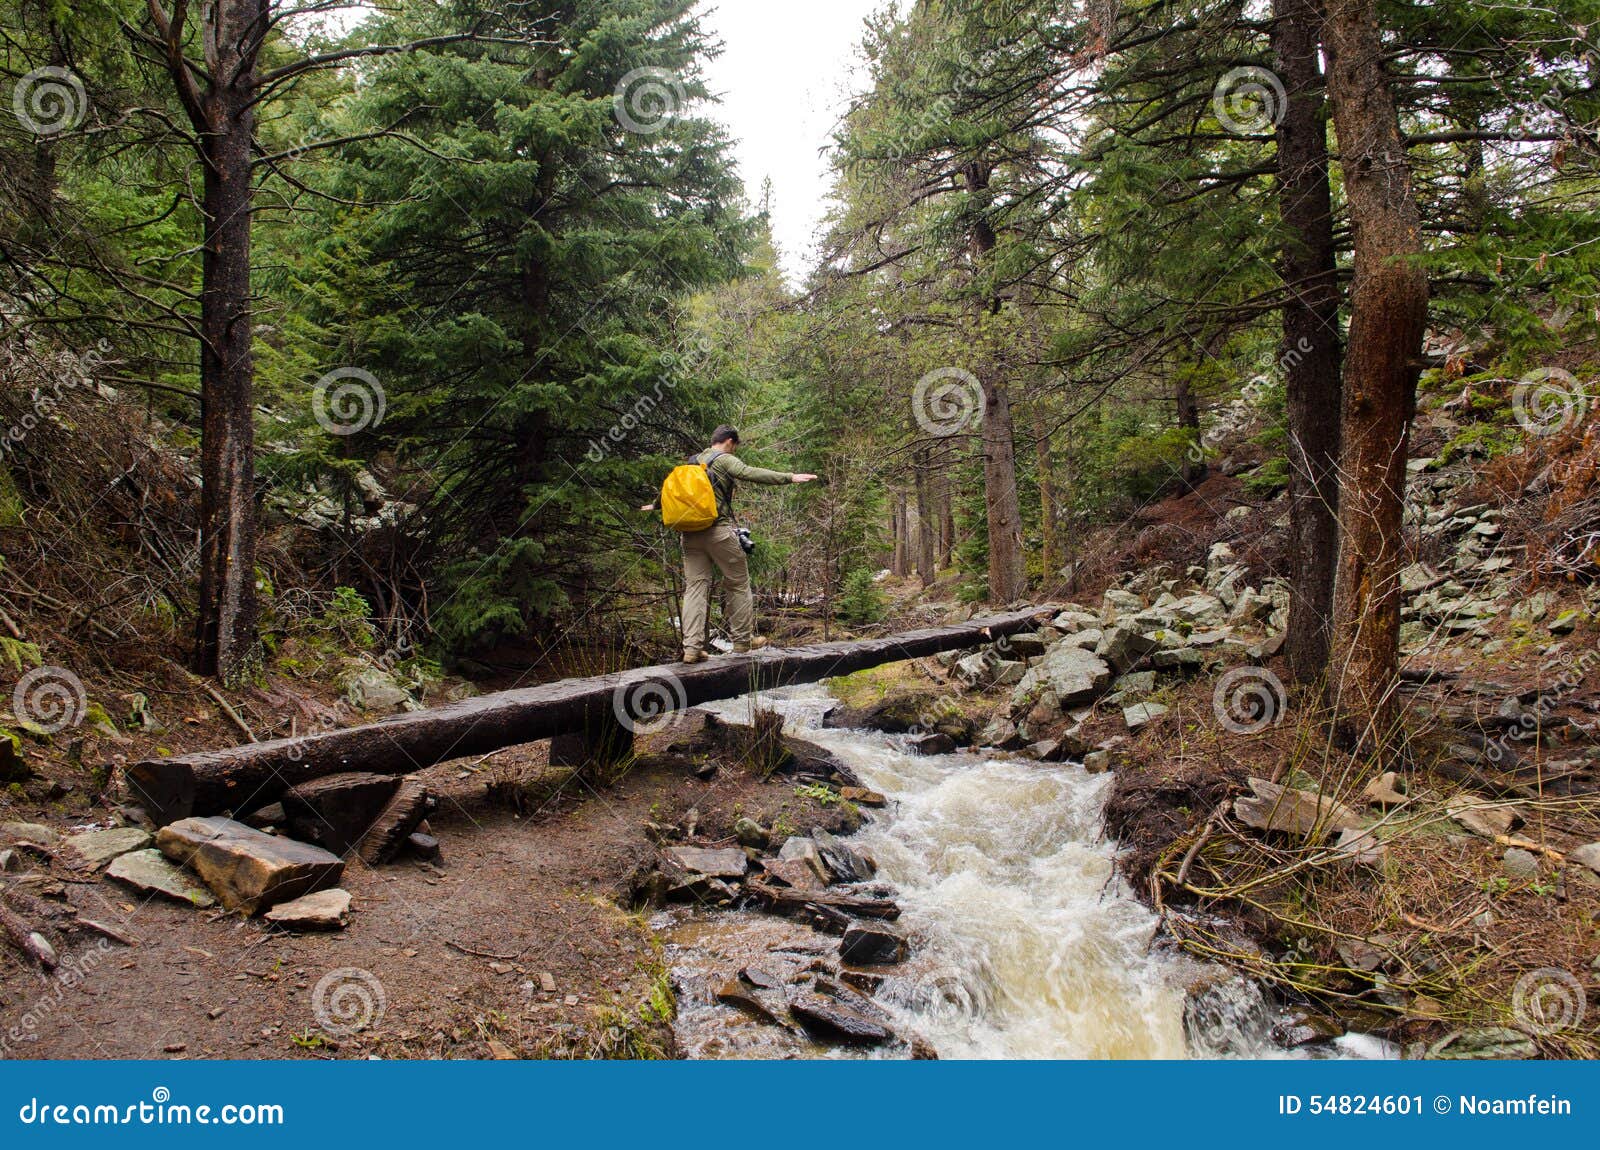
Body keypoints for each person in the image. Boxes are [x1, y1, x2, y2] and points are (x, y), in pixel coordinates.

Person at [648, 425, 816, 663]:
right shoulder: (725, 460)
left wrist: (655, 505)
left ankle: (692, 649)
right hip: (719, 532)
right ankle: (742, 642)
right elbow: (749, 472)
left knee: (695, 588)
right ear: (729, 442)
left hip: (689, 535)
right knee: (737, 584)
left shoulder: (692, 461)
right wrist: (789, 477)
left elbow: (673, 490)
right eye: (735, 446)